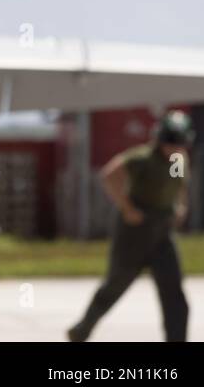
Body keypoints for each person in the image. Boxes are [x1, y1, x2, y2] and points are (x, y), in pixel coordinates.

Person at [67, 109, 195, 342]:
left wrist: (180, 206)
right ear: (159, 140)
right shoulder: (144, 158)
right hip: (135, 230)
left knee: (173, 290)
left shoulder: (178, 160)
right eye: (170, 144)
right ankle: (82, 329)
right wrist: (127, 209)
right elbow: (110, 174)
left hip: (162, 233)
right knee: (115, 285)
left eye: (179, 146)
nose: (174, 150)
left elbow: (179, 184)